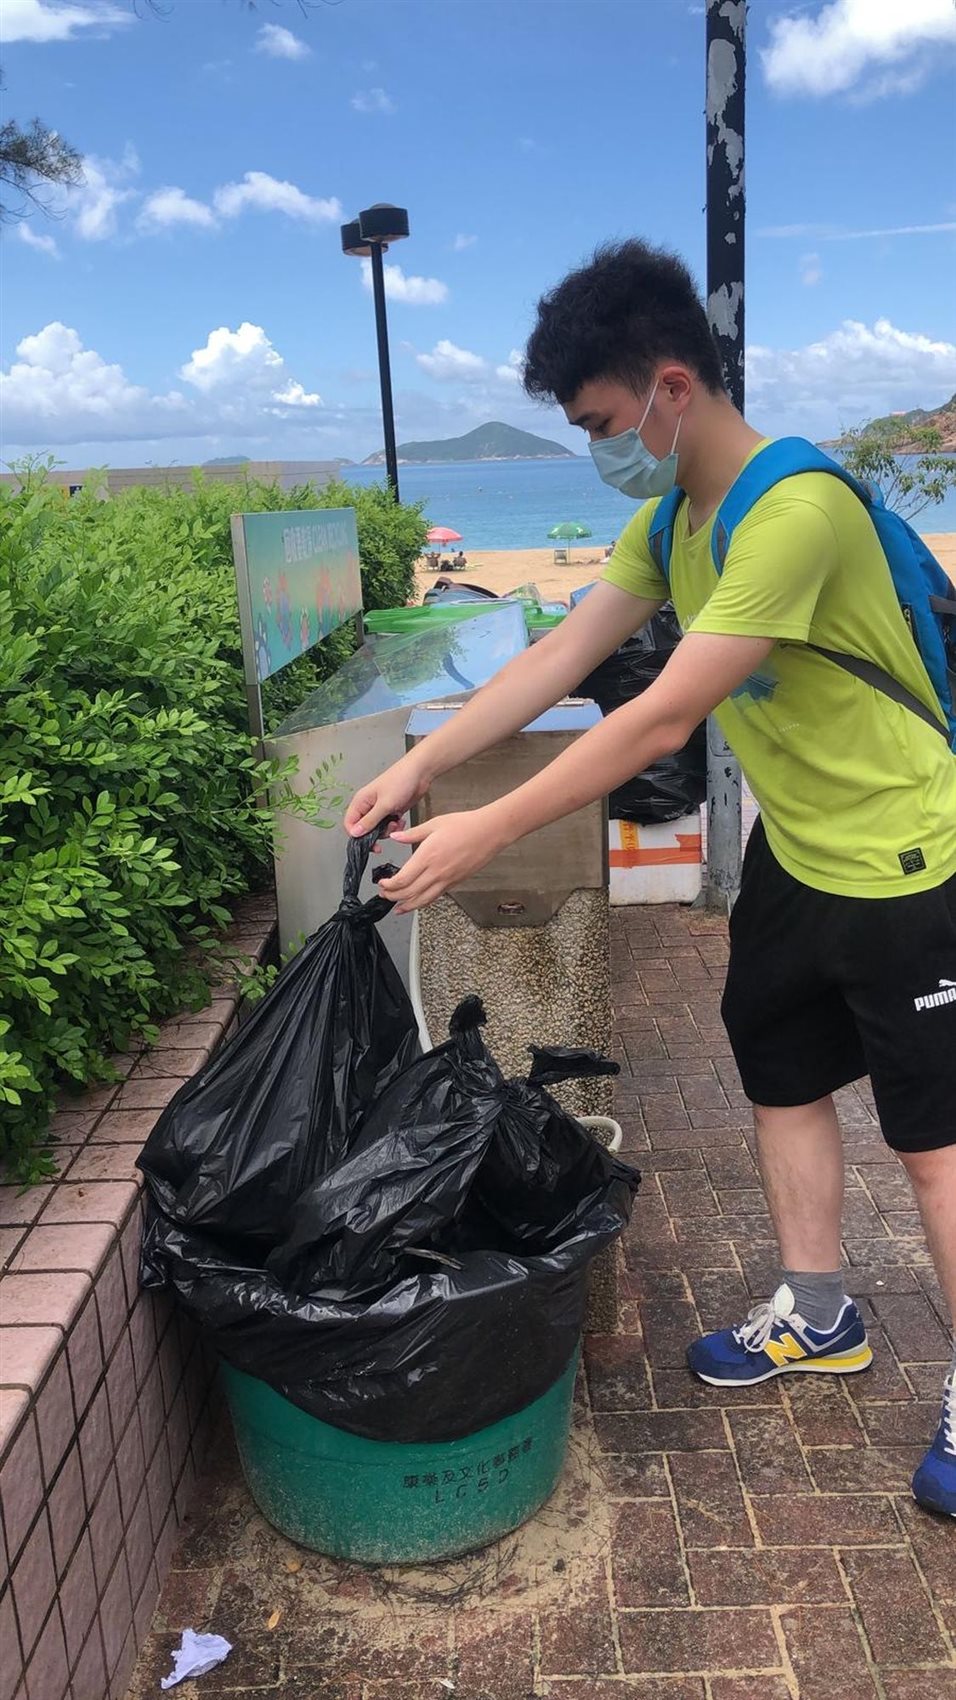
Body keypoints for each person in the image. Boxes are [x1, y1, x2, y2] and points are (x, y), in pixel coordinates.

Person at [345, 239, 956, 1519]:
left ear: (672, 386)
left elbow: (659, 721)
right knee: (780, 1075)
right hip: (797, 855)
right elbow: (559, 661)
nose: (599, 447)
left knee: (935, 1148)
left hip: (911, 862)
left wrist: (484, 829)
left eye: (604, 422)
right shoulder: (664, 517)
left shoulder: (796, 511)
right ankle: (820, 1309)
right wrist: (426, 769)